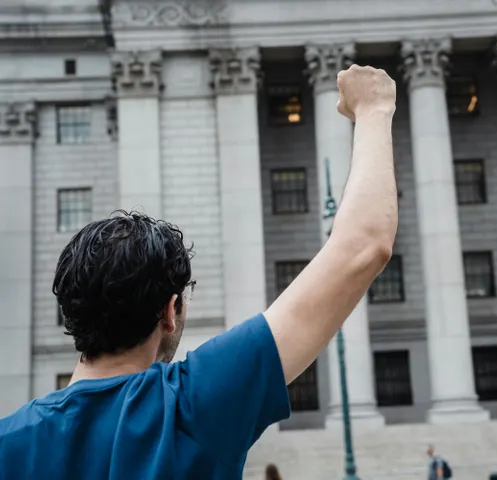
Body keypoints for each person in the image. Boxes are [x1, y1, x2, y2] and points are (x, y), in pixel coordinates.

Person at [0, 65, 398, 479]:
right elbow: (365, 245)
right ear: (169, 311)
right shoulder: (193, 406)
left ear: (72, 313)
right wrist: (373, 106)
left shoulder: (8, 443)